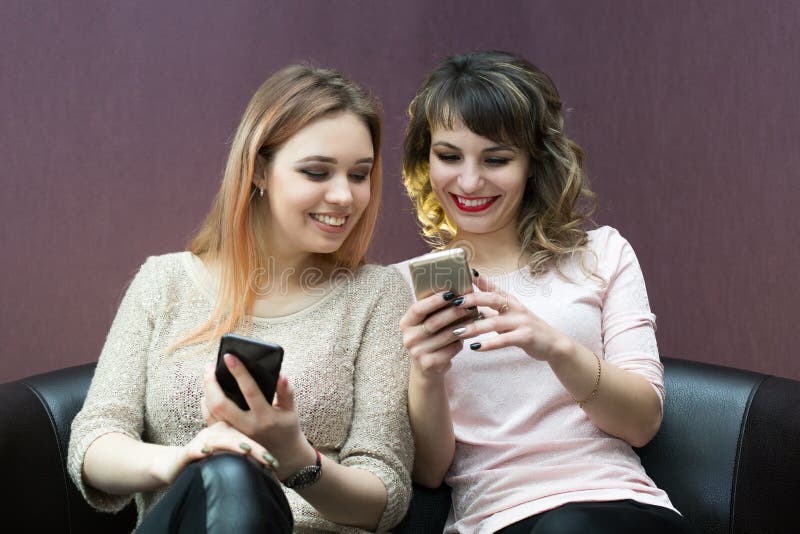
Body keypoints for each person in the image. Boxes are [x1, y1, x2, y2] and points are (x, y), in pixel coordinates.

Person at [67, 65, 413, 533]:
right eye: (317, 171)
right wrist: (184, 460)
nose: (344, 196)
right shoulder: (163, 282)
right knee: (229, 471)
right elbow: (93, 444)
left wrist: (297, 460)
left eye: (360, 175)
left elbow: (385, 496)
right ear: (258, 171)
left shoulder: (378, 295)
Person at [395, 51, 695, 533]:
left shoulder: (602, 254)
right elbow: (430, 472)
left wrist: (552, 346)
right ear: (423, 159)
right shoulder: (400, 288)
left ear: (534, 162)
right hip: (495, 518)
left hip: (617, 505)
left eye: (496, 159)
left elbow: (642, 423)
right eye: (449, 156)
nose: (469, 181)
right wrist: (427, 371)